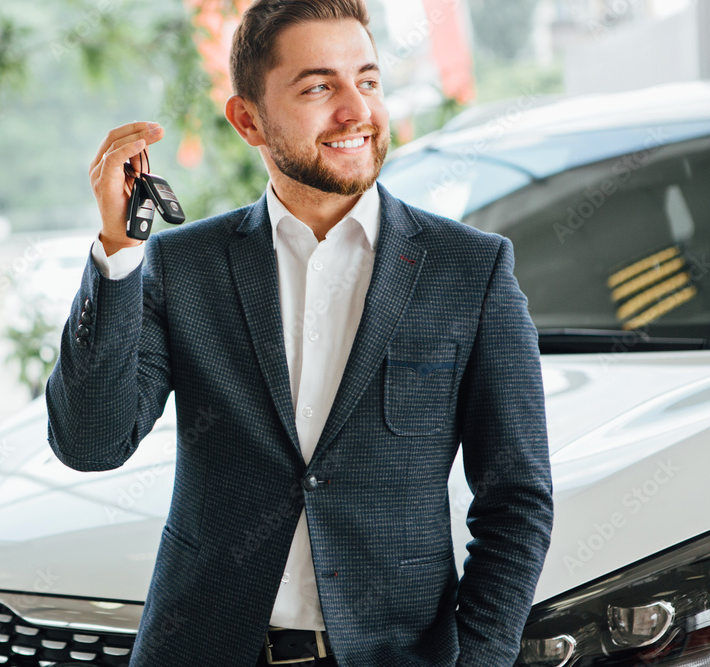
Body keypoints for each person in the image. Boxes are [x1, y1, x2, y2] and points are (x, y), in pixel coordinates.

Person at [45, 0, 554, 665]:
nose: (356, 111)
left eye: (367, 81)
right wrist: (118, 250)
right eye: (319, 87)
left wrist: (478, 659)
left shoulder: (470, 271)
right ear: (247, 119)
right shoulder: (183, 266)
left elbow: (517, 501)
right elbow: (92, 442)